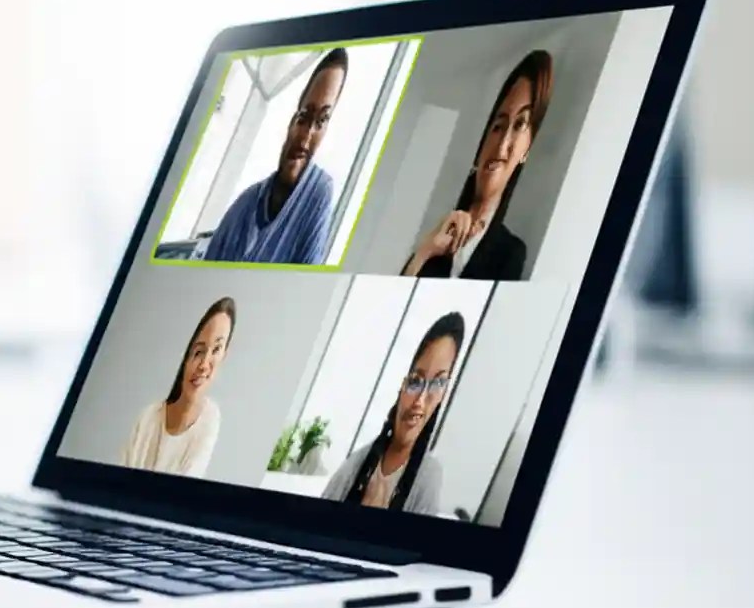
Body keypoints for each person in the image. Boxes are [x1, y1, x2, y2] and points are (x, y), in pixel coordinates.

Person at [403, 50, 554, 280]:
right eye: (498, 126)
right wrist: (425, 251)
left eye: (519, 125)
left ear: (527, 150)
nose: (502, 144)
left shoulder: (510, 252)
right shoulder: (441, 227)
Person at [203, 48, 349, 265]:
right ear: (292, 121)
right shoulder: (244, 204)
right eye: (304, 117)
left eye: (321, 121)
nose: (306, 136)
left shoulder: (318, 191)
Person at [321, 312, 466, 515]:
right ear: (403, 386)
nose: (420, 401)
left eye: (438, 383)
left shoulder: (429, 475)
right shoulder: (359, 461)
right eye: (416, 381)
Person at [120, 297, 236, 477]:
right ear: (186, 356)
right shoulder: (148, 418)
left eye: (216, 350)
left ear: (224, 356)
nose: (204, 364)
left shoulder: (210, 418)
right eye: (198, 352)